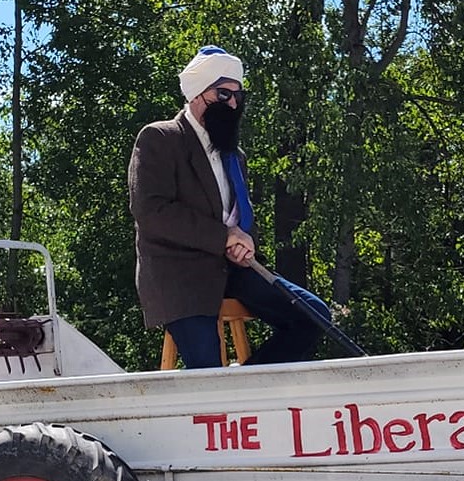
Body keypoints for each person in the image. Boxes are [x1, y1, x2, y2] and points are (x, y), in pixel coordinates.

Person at [129, 45, 328, 369]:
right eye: (223, 95)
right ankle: (226, 400)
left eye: (238, 96)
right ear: (197, 95)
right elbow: (152, 212)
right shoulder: (160, 138)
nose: (233, 104)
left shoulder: (234, 157)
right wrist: (223, 236)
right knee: (206, 370)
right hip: (180, 274)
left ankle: (249, 389)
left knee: (313, 315)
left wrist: (245, 239)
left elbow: (240, 217)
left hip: (231, 270)